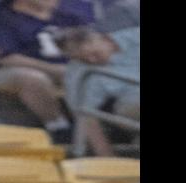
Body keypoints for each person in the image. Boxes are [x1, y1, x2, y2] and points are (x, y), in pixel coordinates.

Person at [0, 0, 92, 139]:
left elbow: (92, 44)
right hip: (13, 71)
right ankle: (59, 128)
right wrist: (53, 69)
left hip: (68, 71)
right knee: (33, 77)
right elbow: (4, 57)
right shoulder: (2, 19)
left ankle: (95, 135)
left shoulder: (68, 18)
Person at [57, 24, 138, 157]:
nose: (91, 61)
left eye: (93, 54)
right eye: (83, 59)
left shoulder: (134, 36)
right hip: (132, 105)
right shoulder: (81, 71)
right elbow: (85, 115)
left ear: (101, 38)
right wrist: (107, 157)